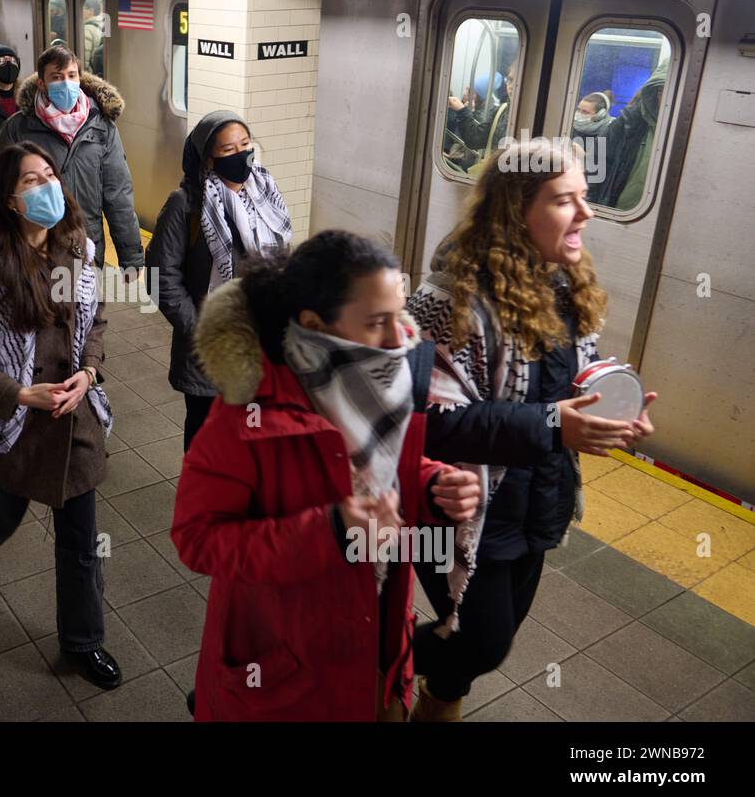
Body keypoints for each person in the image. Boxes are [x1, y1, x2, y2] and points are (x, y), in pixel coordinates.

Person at [171, 231, 482, 721]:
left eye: (399, 317)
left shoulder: (391, 384)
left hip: (376, 640)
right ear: (316, 326)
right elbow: (197, 539)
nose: (399, 339)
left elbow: (385, 469)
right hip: (284, 673)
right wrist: (329, 532)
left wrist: (429, 485)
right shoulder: (247, 414)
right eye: (377, 323)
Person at [405, 138, 657, 721]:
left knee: (488, 640)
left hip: (538, 499)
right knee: (483, 642)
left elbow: (565, 380)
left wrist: (610, 407)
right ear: (516, 208)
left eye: (585, 197)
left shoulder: (564, 283)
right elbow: (427, 421)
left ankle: (431, 706)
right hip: (460, 505)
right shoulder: (448, 299)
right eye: (565, 200)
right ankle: (348, 654)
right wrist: (552, 424)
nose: (587, 214)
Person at [0, 141, 121, 691]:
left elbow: (96, 321)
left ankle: (82, 641)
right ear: (11, 201)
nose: (48, 189)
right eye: (31, 182)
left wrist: (88, 374)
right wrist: (16, 393)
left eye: (50, 176)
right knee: (2, 517)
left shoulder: (78, 246)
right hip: (14, 422)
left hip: (73, 415)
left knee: (81, 540)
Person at [149, 110, 292, 450]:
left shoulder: (265, 191)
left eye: (245, 145)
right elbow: (159, 276)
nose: (241, 155)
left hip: (260, 345)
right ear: (207, 158)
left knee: (252, 431)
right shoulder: (186, 204)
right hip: (209, 348)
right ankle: (202, 499)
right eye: (228, 150)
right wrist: (199, 328)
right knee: (206, 439)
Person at [0, 45, 143, 274]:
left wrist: (131, 257)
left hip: (86, 245)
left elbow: (118, 193)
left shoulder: (101, 127)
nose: (66, 83)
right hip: (32, 246)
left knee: (87, 308)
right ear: (41, 83)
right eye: (56, 77)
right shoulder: (18, 128)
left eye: (71, 76)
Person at [592, 64, 667, 210]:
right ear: (654, 93)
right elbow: (594, 169)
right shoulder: (627, 123)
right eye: (663, 91)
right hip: (617, 214)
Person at [569, 90, 613, 185]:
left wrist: (584, 157)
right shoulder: (569, 126)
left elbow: (603, 173)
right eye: (578, 109)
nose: (579, 114)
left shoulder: (608, 133)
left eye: (585, 112)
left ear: (599, 115)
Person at [81, 0, 106, 76]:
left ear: (91, 11)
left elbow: (84, 62)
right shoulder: (100, 25)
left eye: (83, 8)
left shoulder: (87, 29)